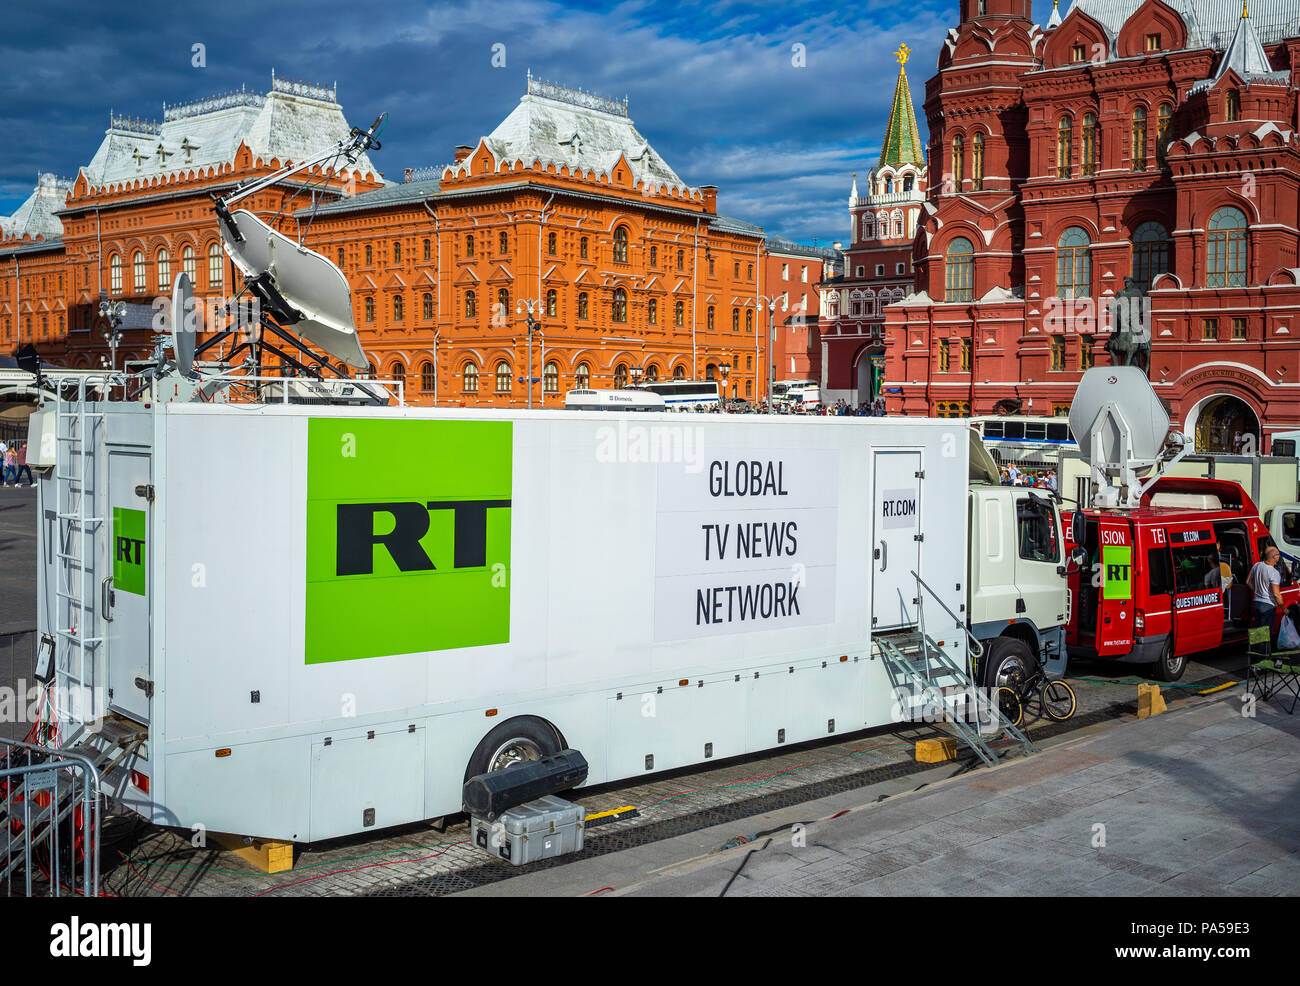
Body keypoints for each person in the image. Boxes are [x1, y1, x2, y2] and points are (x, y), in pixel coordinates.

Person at [1249, 546, 1285, 642]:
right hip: (1268, 606)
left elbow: (1248, 581)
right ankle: (1262, 656)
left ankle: (1255, 655)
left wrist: (1257, 591)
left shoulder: (1257, 565)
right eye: (1278, 554)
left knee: (1257, 631)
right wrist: (1284, 609)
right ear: (1274, 557)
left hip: (1257, 603)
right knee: (1265, 634)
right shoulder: (1274, 573)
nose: (1279, 556)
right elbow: (1276, 594)